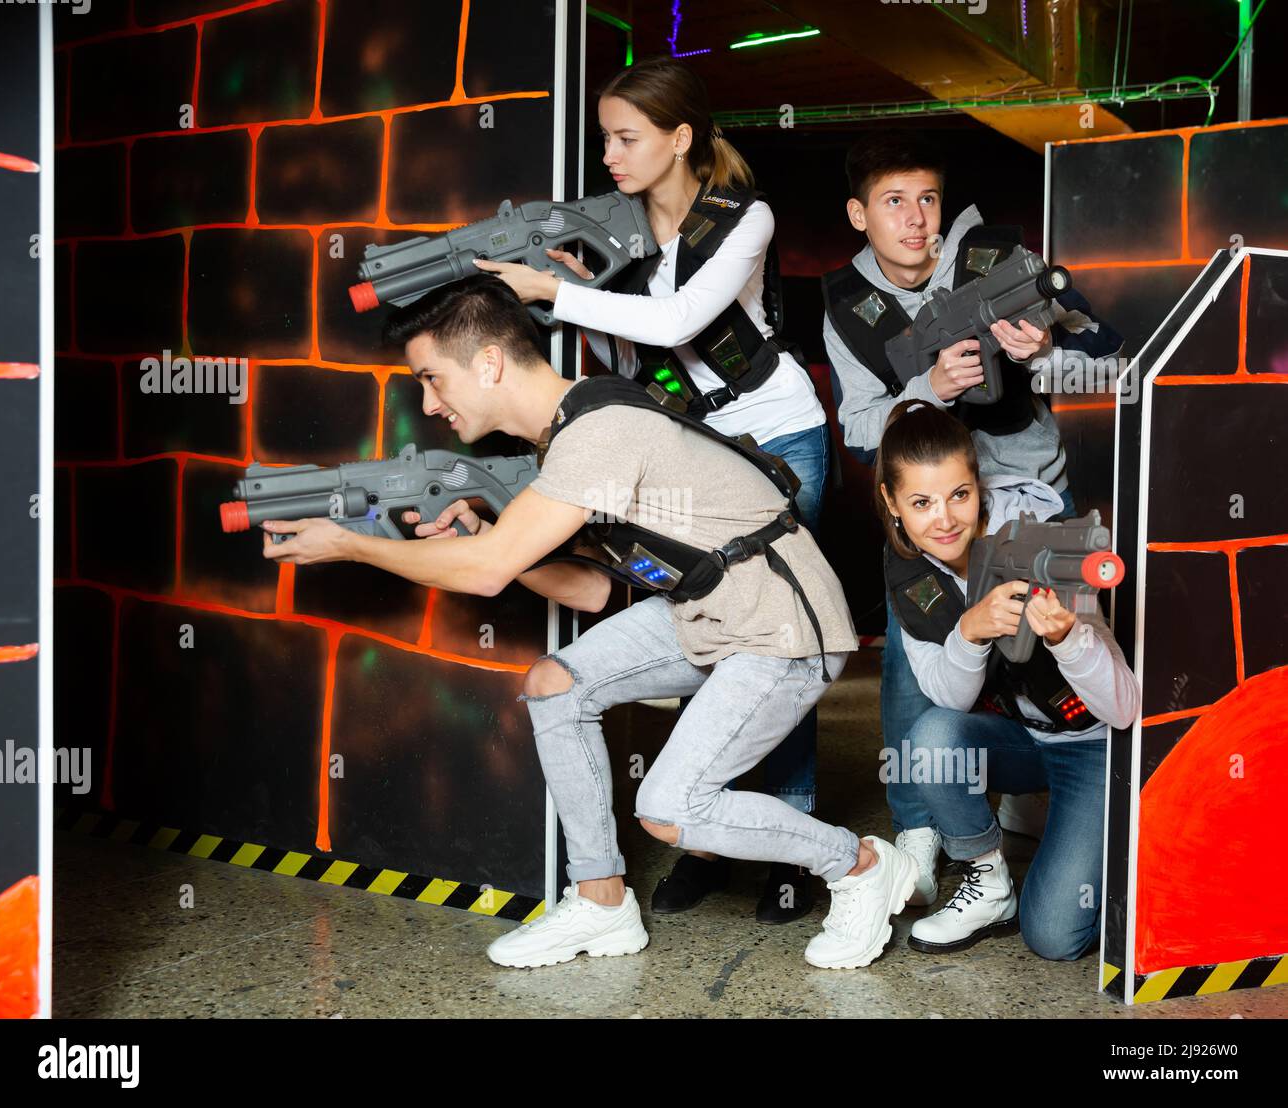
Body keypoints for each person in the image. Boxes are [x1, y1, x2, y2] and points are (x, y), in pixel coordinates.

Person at [257, 274, 919, 969]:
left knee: (672, 809)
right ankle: (602, 903)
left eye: (431, 378)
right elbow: (584, 592)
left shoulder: (600, 431)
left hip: (782, 626)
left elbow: (485, 572)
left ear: (488, 363)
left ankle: (863, 866)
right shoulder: (572, 434)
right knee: (556, 682)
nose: (429, 402)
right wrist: (489, 543)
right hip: (707, 613)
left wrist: (352, 544)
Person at [475, 56, 831, 923]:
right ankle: (707, 837)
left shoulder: (743, 216)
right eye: (604, 138)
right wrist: (586, 293)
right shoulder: (622, 233)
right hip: (693, 446)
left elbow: (678, 323)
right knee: (703, 629)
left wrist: (555, 293)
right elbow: (632, 365)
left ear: (681, 140)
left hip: (777, 433)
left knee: (773, 640)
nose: (609, 154)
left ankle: (796, 847)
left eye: (626, 138)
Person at [821, 135, 1123, 902]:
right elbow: (860, 426)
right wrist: (926, 387)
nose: (916, 221)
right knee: (912, 664)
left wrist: (1042, 353)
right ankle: (923, 835)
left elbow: (1112, 359)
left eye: (927, 199)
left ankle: (1053, 784)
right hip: (935, 520)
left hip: (1027, 501)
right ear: (860, 215)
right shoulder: (845, 308)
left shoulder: (996, 257)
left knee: (1054, 636)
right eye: (894, 203)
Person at [875, 399, 1139, 957]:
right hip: (1018, 740)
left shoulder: (1036, 544)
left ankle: (1117, 839)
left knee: (1054, 937)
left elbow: (1123, 708)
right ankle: (989, 880)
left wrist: (1071, 639)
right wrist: (969, 632)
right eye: (921, 502)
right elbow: (948, 699)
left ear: (980, 488)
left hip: (1092, 748)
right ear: (892, 503)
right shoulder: (908, 570)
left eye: (960, 495)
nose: (944, 519)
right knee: (931, 738)